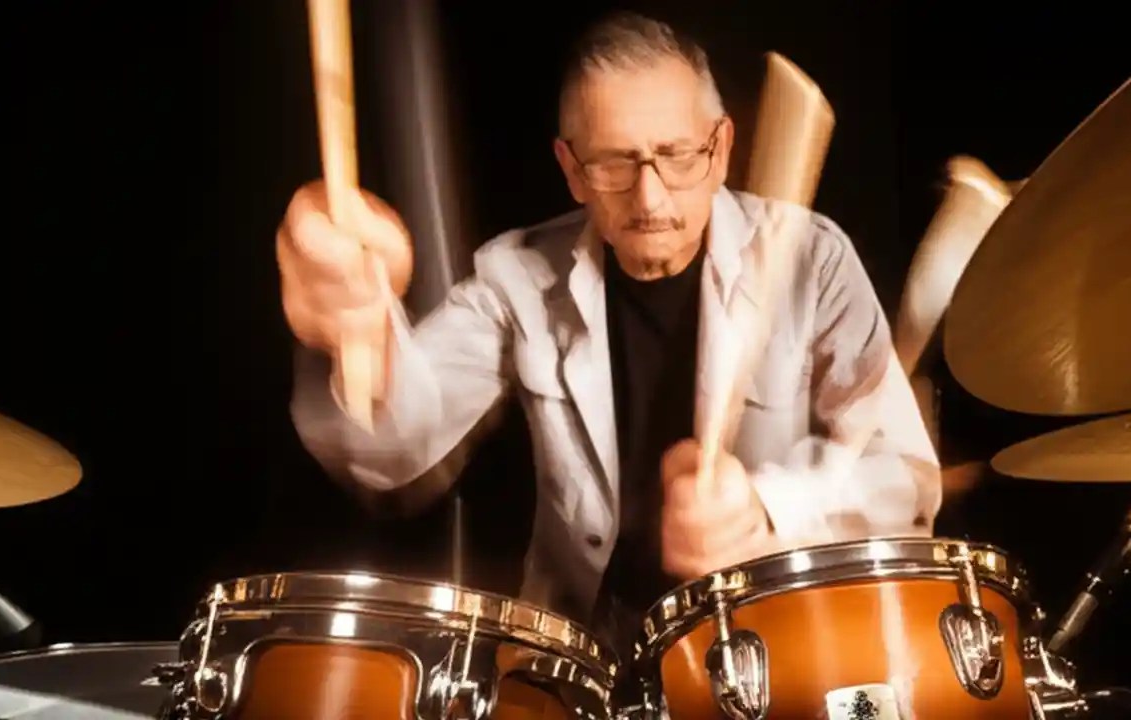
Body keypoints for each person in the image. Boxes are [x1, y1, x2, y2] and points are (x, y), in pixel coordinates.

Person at [278, 11, 940, 657]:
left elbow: (906, 481)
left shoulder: (811, 258)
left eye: (677, 156)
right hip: (590, 664)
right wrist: (356, 332)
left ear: (721, 149)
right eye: (614, 164)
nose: (650, 199)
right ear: (571, 168)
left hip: (775, 653)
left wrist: (766, 512)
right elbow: (396, 449)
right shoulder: (517, 278)